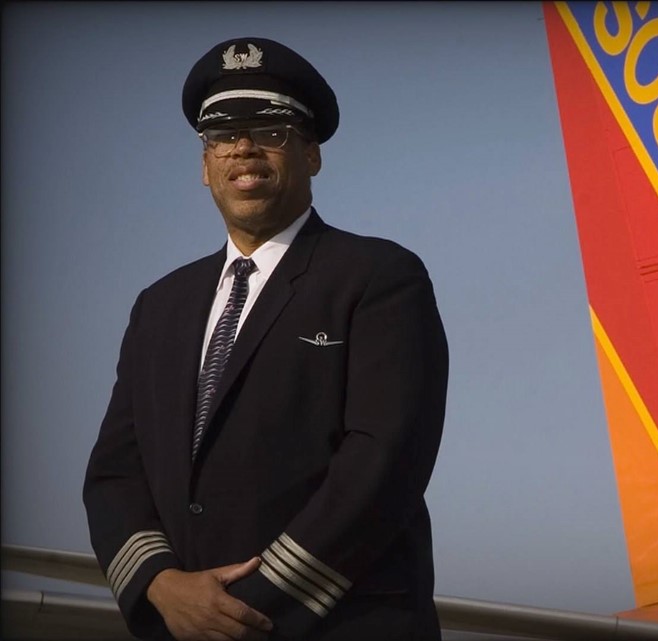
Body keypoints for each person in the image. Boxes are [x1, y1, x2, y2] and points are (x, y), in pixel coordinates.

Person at [82, 37, 449, 641]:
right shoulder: (160, 306)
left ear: (311, 155)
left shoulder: (378, 277)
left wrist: (246, 607)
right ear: (205, 166)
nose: (244, 148)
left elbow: (384, 460)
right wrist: (163, 587)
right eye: (223, 134)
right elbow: (116, 474)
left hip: (338, 623)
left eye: (271, 130)